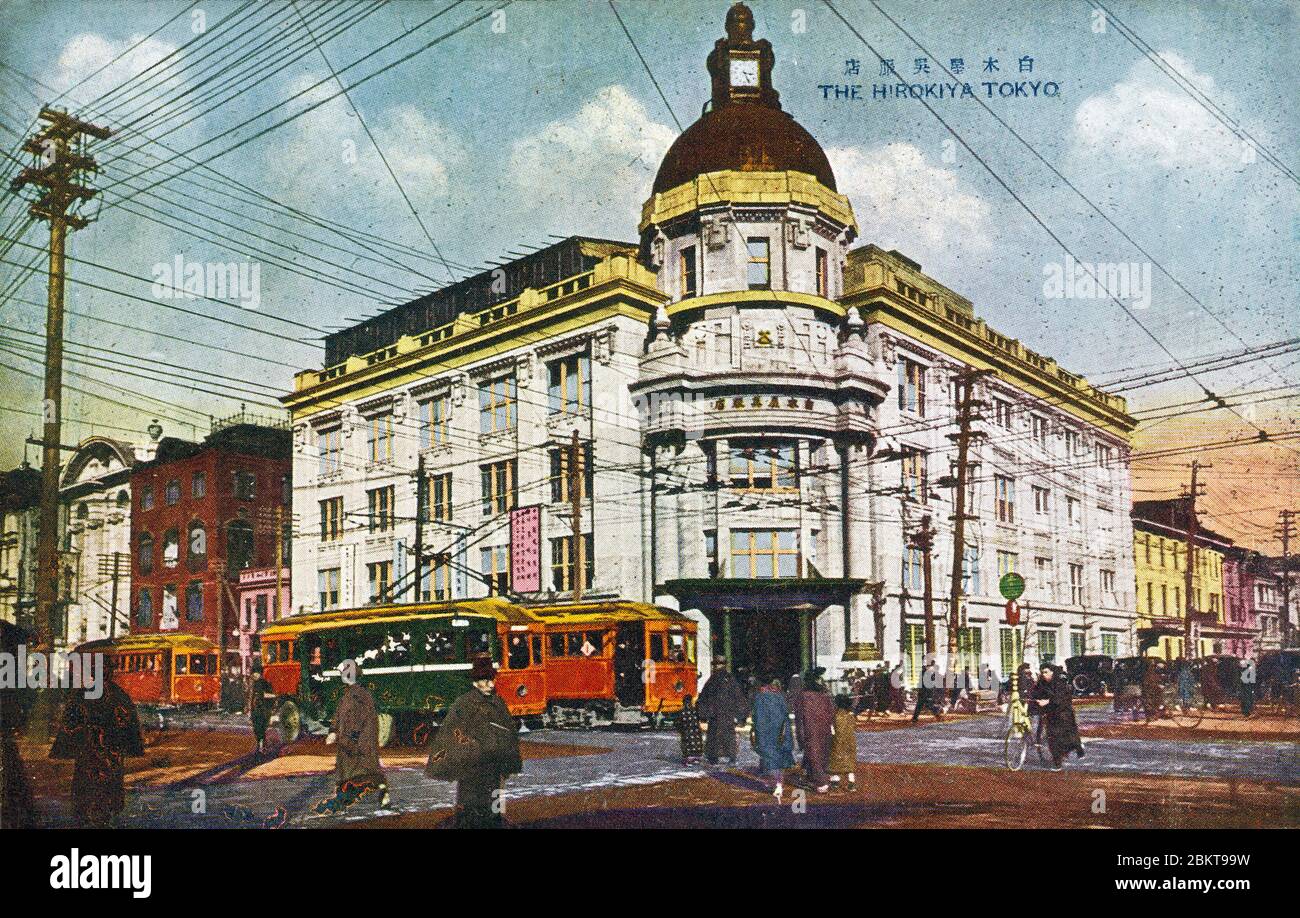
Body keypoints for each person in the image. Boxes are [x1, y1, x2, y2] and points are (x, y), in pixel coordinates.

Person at [426, 654, 522, 829]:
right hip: (473, 766)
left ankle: (495, 822)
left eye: (492, 680)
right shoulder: (464, 703)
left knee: (495, 803)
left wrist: (507, 758)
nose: (491, 685)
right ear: (475, 682)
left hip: (495, 765)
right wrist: (472, 748)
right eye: (486, 681)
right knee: (470, 807)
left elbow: (509, 732)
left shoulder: (498, 702)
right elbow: (453, 732)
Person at [49, 665, 145, 828]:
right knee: (107, 780)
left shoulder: (83, 693)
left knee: (88, 780)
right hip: (110, 749)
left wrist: (74, 738)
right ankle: (105, 812)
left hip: (90, 748)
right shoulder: (118, 694)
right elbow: (128, 722)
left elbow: (70, 722)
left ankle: (88, 813)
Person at [317, 679, 389, 813]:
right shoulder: (347, 695)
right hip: (350, 741)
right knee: (347, 771)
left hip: (360, 742)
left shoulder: (361, 696)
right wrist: (333, 731)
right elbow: (339, 715)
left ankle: (383, 795)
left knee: (368, 770)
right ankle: (343, 799)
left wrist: (350, 735)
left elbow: (362, 719)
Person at [750, 676, 795, 802]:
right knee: (779, 756)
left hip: (765, 731)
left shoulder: (759, 697)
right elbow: (785, 713)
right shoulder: (779, 696)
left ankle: (774, 783)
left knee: (769, 756)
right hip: (780, 730)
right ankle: (779, 783)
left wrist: (755, 729)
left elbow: (756, 716)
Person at [697, 656, 748, 765]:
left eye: (717, 664)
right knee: (728, 736)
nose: (716, 666)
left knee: (715, 736)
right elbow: (738, 697)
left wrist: (703, 714)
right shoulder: (730, 679)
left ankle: (714, 757)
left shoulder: (712, 680)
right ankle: (730, 757)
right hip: (727, 714)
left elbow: (704, 697)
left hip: (715, 714)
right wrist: (741, 715)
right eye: (715, 664)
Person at [1033, 664, 1084, 771]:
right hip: (1051, 713)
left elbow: (1062, 697)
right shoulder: (1041, 682)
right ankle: (1057, 762)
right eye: (1042, 672)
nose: (1044, 675)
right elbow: (1035, 692)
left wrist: (1048, 701)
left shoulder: (1060, 681)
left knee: (1070, 735)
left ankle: (1078, 749)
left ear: (1052, 672)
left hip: (1064, 713)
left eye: (1046, 672)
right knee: (1053, 738)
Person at [798, 672, 834, 793]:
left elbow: (800, 716)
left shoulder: (803, 696)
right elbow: (832, 711)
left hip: (810, 728)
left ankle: (821, 782)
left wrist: (800, 735)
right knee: (823, 753)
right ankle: (816, 777)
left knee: (813, 754)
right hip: (825, 728)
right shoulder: (825, 695)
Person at [828, 694, 858, 791]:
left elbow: (832, 730)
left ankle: (835, 782)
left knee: (835, 761)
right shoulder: (851, 716)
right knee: (849, 762)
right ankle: (851, 783)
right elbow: (853, 727)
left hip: (837, 741)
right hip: (850, 742)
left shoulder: (835, 716)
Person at [249, 668, 276, 753]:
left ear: (259, 674)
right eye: (253, 674)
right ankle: (260, 745)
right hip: (256, 709)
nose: (254, 675)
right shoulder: (254, 683)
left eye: (255, 673)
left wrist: (263, 696)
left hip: (263, 709)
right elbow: (252, 697)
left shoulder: (264, 683)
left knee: (261, 728)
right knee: (257, 728)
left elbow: (272, 695)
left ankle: (261, 745)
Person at [677, 695, 704, 764]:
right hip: (696, 732)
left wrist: (680, 730)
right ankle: (696, 756)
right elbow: (701, 718)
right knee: (697, 740)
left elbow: (679, 723)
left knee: (686, 741)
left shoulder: (681, 711)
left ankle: (689, 756)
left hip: (687, 732)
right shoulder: (695, 710)